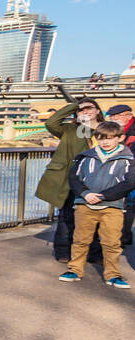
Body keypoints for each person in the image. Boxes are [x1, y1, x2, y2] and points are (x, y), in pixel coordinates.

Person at [58, 120, 135, 288]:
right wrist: (85, 194)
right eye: (101, 138)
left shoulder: (127, 159)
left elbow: (129, 183)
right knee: (80, 239)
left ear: (120, 138)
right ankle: (75, 269)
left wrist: (103, 196)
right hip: (85, 204)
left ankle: (113, 275)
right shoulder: (85, 157)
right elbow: (74, 178)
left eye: (109, 138)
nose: (105, 142)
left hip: (112, 206)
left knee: (112, 243)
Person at [36, 98, 104, 261]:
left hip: (98, 180)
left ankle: (93, 252)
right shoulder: (70, 129)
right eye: (82, 110)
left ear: (98, 111)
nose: (86, 111)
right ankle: (63, 251)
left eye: (90, 108)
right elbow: (51, 122)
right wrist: (74, 106)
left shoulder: (106, 130)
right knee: (67, 216)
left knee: (96, 217)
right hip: (72, 180)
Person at [107, 104, 135, 246]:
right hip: (120, 171)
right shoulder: (114, 129)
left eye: (118, 116)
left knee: (129, 204)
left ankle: (123, 236)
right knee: (124, 204)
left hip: (131, 172)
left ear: (129, 115)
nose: (114, 119)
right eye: (112, 117)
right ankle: (124, 235)